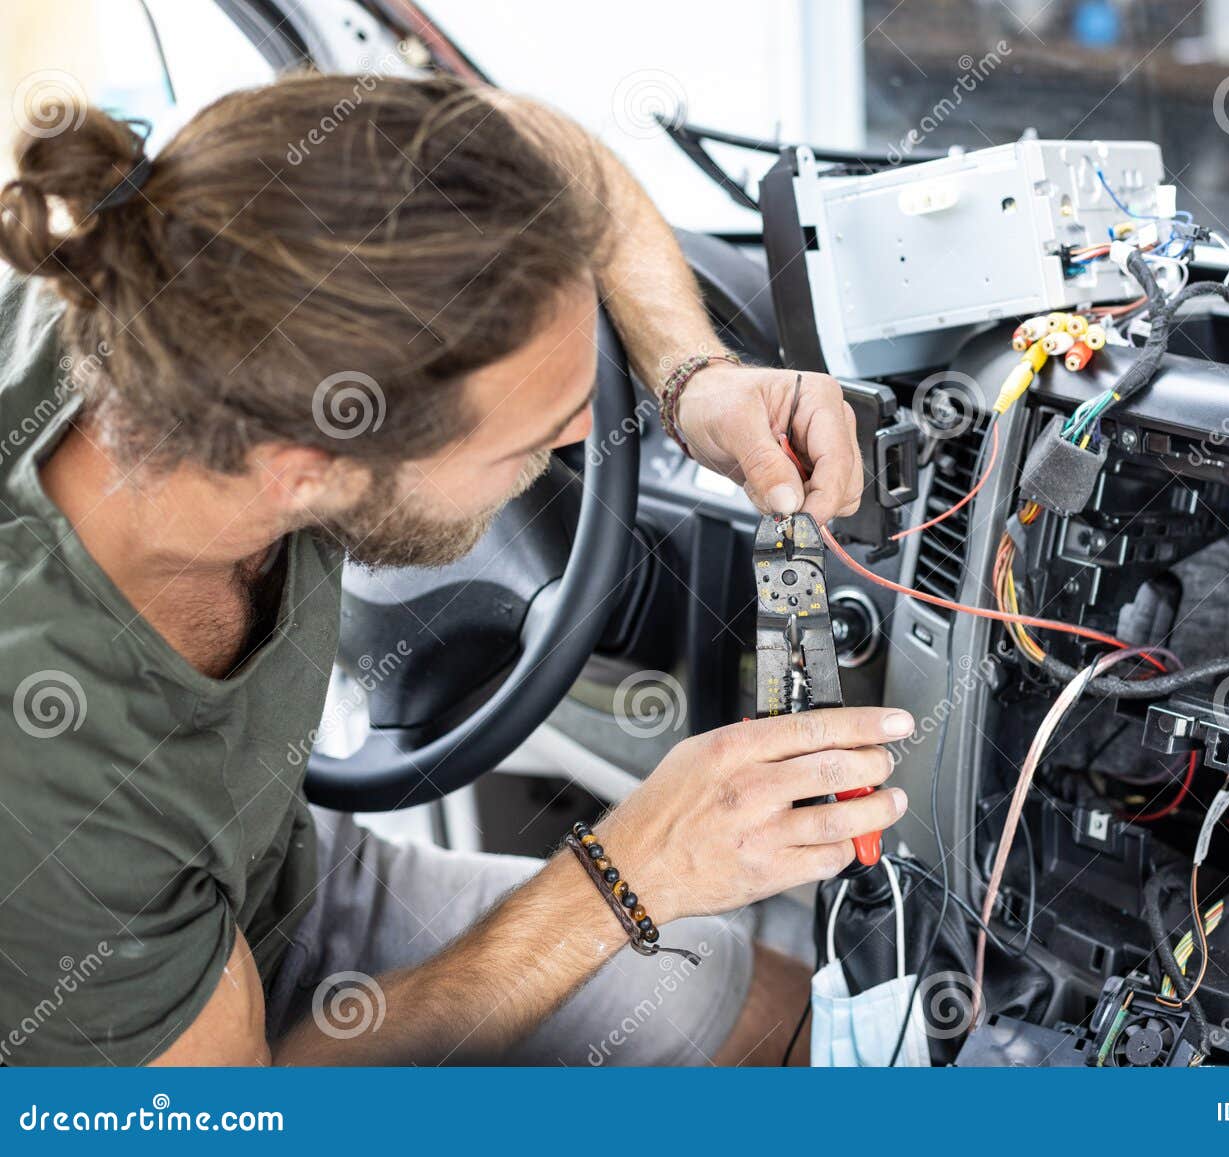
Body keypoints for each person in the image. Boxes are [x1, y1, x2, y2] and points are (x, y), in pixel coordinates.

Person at [0, 74, 908, 1066]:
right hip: (131, 1036)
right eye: (532, 440)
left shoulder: (201, 265)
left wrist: (694, 378)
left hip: (261, 878)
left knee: (773, 1023)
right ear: (306, 471)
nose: (584, 441)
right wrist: (628, 873)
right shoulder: (48, 765)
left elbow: (558, 166)